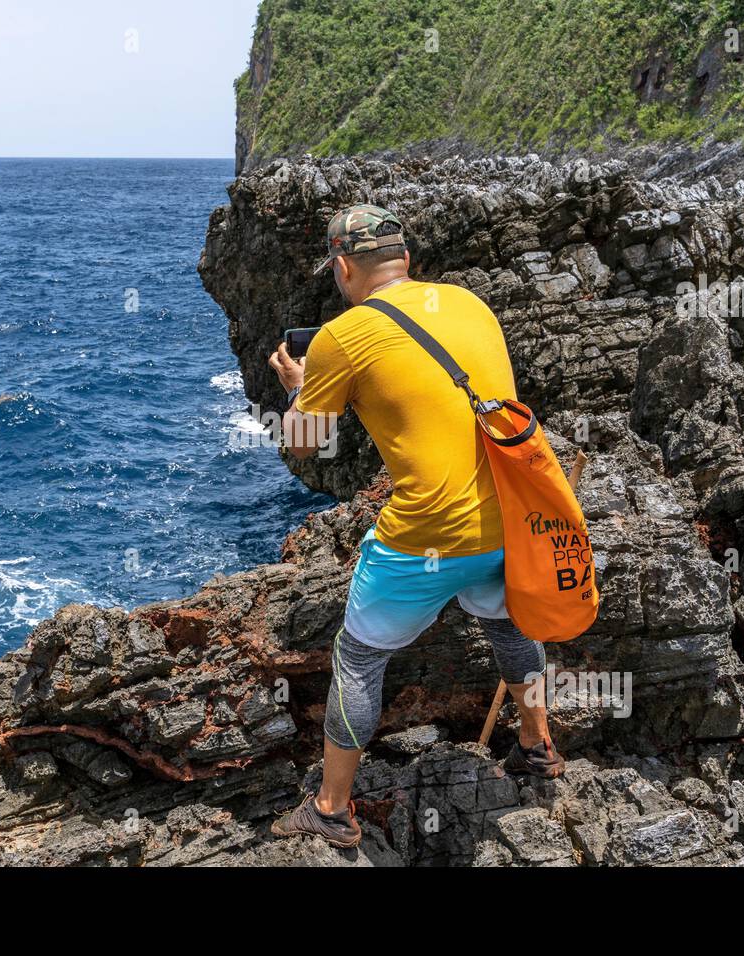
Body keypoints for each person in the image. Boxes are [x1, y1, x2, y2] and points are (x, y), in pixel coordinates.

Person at [267, 204, 564, 849]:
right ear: (408, 260)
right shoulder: (472, 305)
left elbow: (304, 446)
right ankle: (537, 746)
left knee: (358, 658)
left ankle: (330, 808)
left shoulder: (341, 338)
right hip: (509, 520)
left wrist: (300, 386)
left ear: (344, 267)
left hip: (425, 534)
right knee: (509, 626)